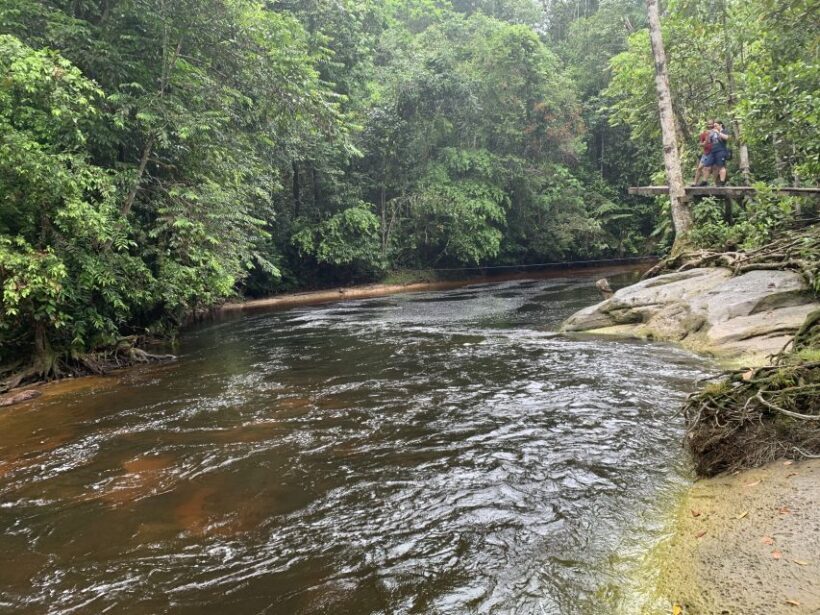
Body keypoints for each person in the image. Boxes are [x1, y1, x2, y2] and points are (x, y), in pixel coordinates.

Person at [693, 120, 715, 186]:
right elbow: (700, 143)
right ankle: (695, 183)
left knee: (707, 168)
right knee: (699, 168)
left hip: (712, 152)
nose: (710, 126)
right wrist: (704, 143)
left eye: (711, 124)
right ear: (706, 125)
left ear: (713, 125)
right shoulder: (704, 133)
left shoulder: (715, 133)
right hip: (705, 153)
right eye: (708, 124)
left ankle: (704, 181)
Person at [709, 121, 730, 185]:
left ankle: (722, 181)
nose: (714, 127)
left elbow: (726, 138)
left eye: (716, 125)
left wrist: (718, 132)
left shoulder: (724, 131)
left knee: (721, 166)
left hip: (721, 151)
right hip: (713, 151)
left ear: (720, 125)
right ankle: (715, 182)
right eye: (714, 126)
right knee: (714, 167)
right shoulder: (713, 133)